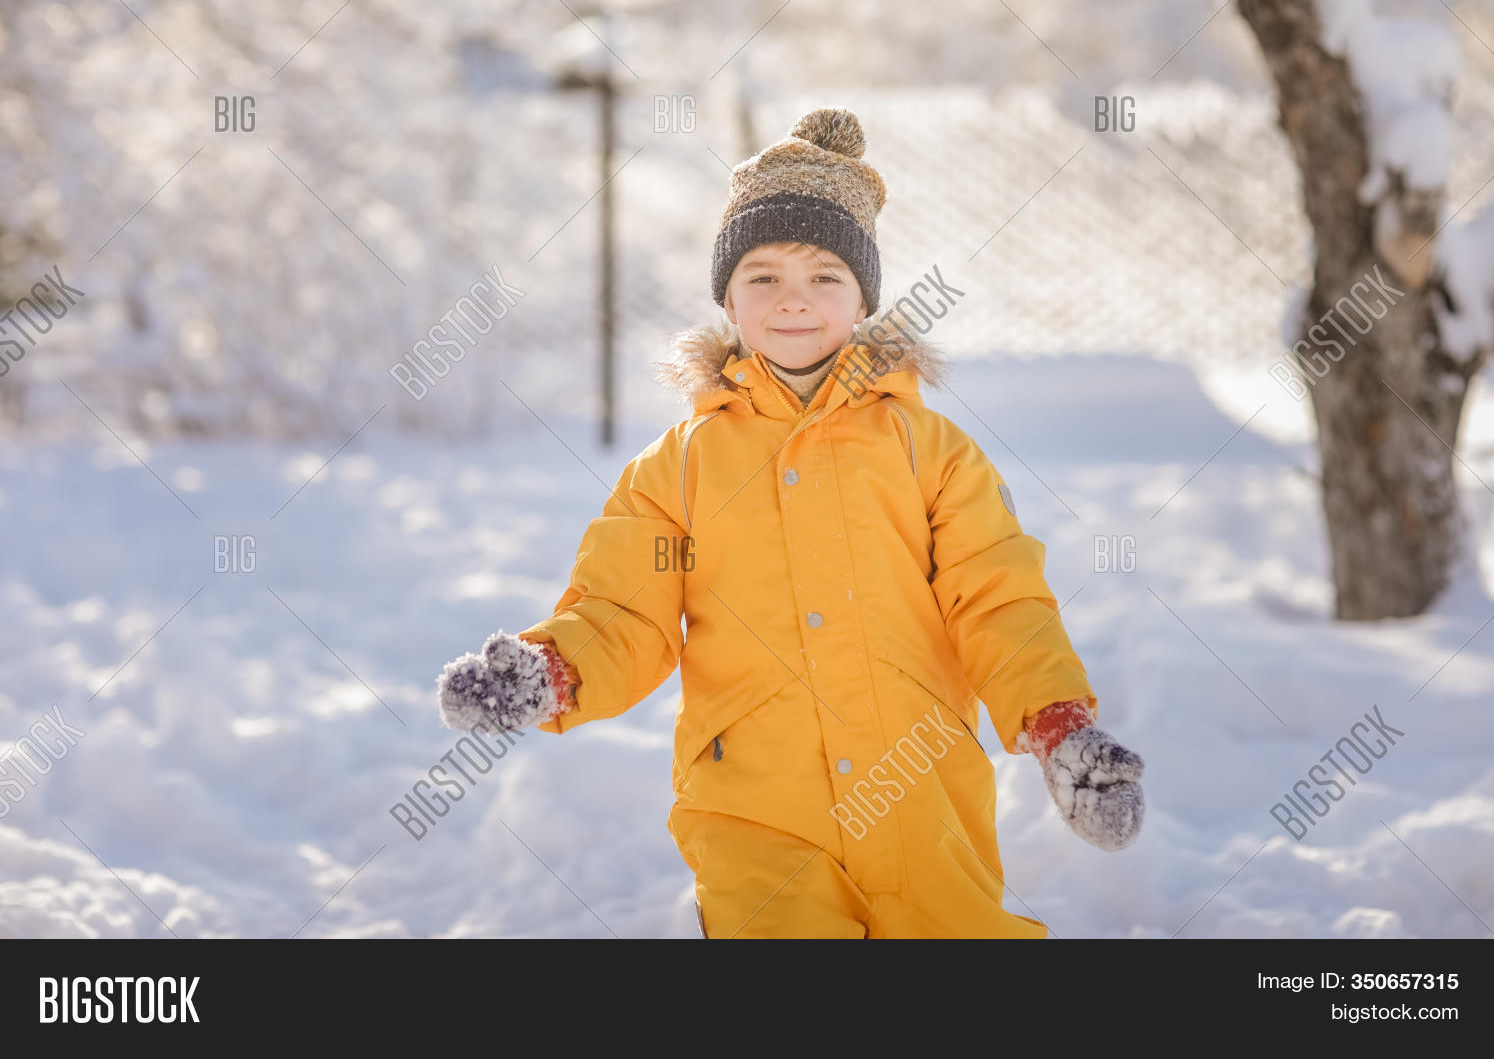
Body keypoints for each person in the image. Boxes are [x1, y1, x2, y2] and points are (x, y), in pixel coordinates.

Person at [438, 107, 1144, 938]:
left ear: (863, 298)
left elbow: (997, 597)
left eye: (824, 278)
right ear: (728, 299)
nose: (793, 301)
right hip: (752, 804)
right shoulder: (683, 463)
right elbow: (622, 608)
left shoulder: (932, 452)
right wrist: (550, 669)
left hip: (919, 788)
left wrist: (1058, 723)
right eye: (763, 277)